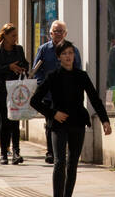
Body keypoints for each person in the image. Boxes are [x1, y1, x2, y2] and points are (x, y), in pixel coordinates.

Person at [30, 41, 112, 197]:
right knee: (59, 162)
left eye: (71, 53)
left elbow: (95, 99)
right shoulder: (52, 76)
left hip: (77, 123)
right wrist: (53, 114)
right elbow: (34, 100)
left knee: (72, 163)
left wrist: (105, 120)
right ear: (58, 57)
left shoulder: (81, 76)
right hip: (58, 125)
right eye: (65, 53)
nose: (68, 56)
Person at [31, 20, 79, 164]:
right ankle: (51, 152)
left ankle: (63, 151)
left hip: (67, 95)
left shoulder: (73, 50)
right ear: (50, 33)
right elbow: (36, 72)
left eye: (61, 31)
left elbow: (78, 70)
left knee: (66, 123)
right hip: (49, 95)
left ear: (65, 33)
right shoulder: (44, 50)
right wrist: (43, 85)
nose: (58, 34)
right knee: (51, 123)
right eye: (55, 31)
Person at [0, 24, 28, 165]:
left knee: (15, 121)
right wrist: (9, 67)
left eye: (16, 35)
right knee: (4, 122)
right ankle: (4, 153)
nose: (15, 38)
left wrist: (21, 68)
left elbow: (25, 64)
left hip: (16, 90)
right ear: (4, 35)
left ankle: (16, 152)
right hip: (1, 90)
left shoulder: (19, 49)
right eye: (13, 36)